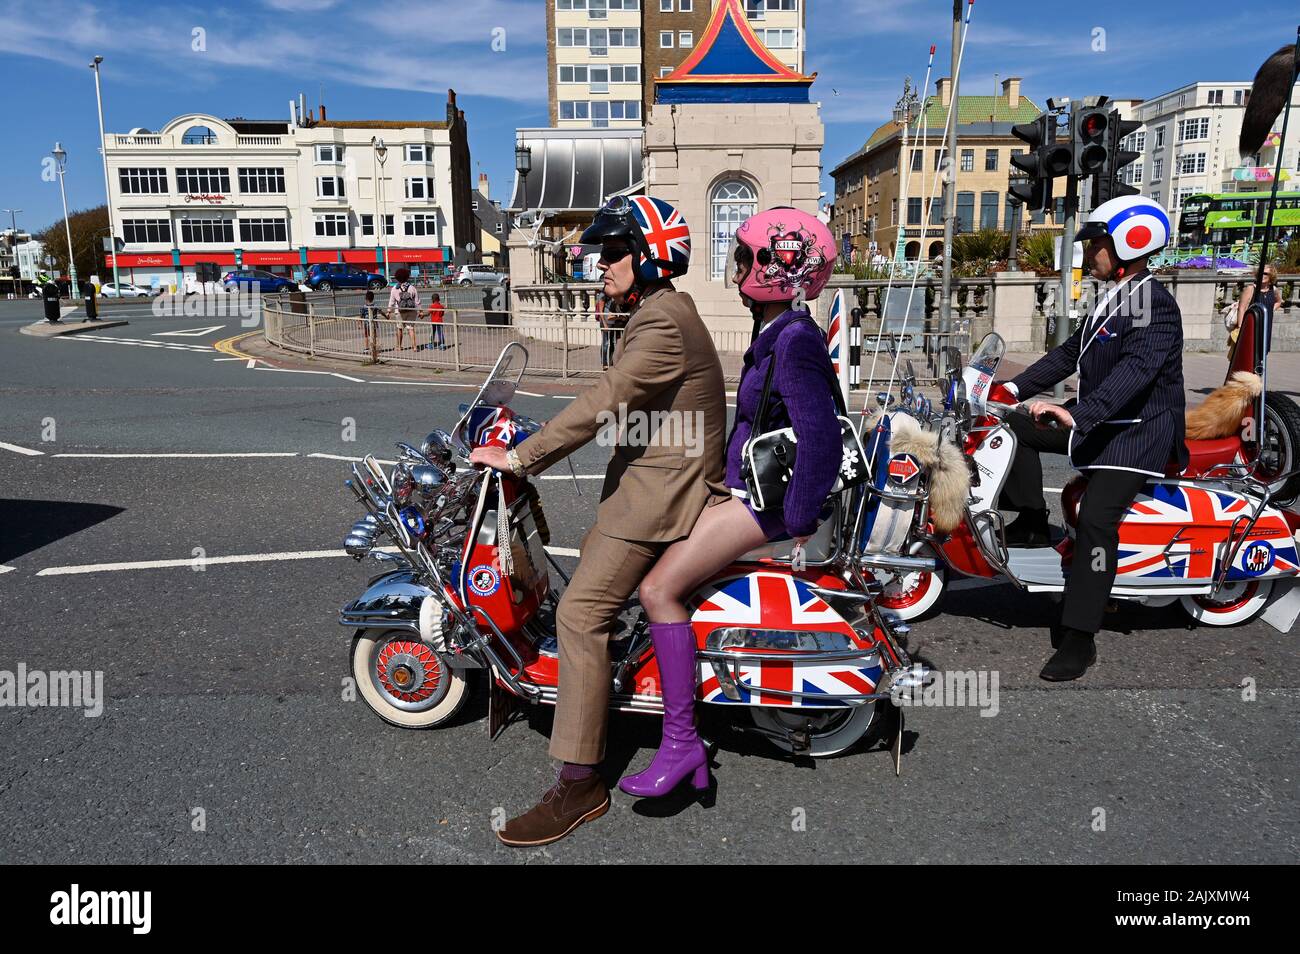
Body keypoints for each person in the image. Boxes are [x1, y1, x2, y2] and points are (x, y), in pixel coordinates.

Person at [468, 195, 726, 847]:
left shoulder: (662, 322)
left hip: (661, 494)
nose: (600, 264)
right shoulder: (665, 311)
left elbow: (605, 401)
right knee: (588, 596)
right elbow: (619, 399)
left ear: (649, 255)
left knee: (581, 613)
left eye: (613, 253)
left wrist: (521, 457)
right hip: (654, 481)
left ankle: (579, 783)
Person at [627, 207, 842, 798]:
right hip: (749, 490)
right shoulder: (777, 329)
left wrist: (794, 523)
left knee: (658, 590)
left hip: (765, 505)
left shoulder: (793, 339)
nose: (739, 265)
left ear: (780, 267)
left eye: (749, 257)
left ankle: (681, 743)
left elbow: (819, 435)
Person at [996, 195, 1187, 682]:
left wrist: (1077, 414)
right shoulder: (1114, 297)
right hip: (1102, 424)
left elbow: (1137, 372)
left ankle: (1080, 637)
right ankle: (1034, 521)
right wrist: (1012, 388)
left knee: (1096, 520)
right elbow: (1068, 355)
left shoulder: (1152, 304)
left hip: (1138, 435)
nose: (1088, 253)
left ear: (1130, 243)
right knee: (1013, 425)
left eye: (1096, 244)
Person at [1228, 262, 1281, 356]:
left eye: (1265, 273)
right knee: (1249, 352)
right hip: (1251, 325)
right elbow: (1242, 307)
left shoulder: (1274, 289)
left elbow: (1279, 302)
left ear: (1271, 276)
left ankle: (1259, 370)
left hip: (1265, 325)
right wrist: (1241, 327)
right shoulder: (1251, 289)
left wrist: (1270, 310)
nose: (1262, 275)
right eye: (1261, 272)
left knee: (1262, 352)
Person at [387, 267, 420, 350]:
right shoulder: (412, 288)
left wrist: (389, 311)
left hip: (399, 311)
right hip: (411, 311)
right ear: (407, 277)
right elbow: (417, 301)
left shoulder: (394, 289)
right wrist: (420, 311)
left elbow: (392, 301)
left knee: (399, 328)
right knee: (411, 328)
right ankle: (414, 346)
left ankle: (399, 346)